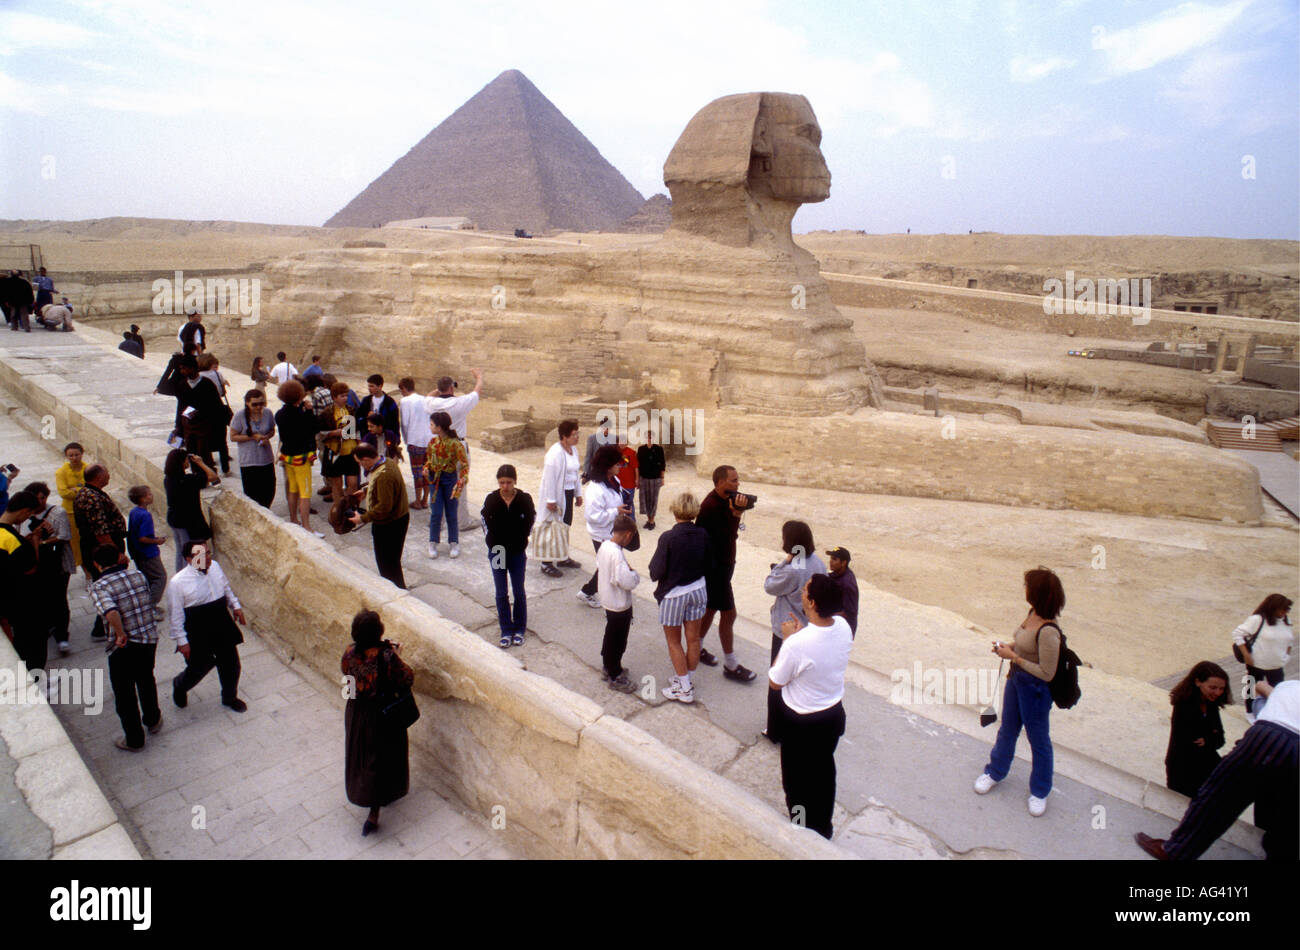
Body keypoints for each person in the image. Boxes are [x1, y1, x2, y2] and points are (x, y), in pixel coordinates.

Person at [1136, 679, 1297, 861]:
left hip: (1270, 735)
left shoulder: (1289, 687)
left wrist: (1266, 689)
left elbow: (1260, 687)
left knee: (1218, 798)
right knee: (1287, 814)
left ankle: (1175, 851)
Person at [974, 567, 1065, 817]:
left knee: (1039, 741)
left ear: (1037, 593)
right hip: (1016, 681)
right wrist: (1008, 647)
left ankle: (1040, 791)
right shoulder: (1032, 613)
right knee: (1007, 730)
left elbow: (1048, 673)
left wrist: (1013, 656)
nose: (1024, 589)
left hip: (1035, 690)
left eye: (1027, 586)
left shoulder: (1048, 631)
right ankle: (995, 772)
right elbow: (1024, 643)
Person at [769, 574, 852, 839]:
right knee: (824, 775)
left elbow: (775, 682)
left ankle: (801, 832)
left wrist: (787, 639)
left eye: (805, 590)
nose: (802, 593)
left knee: (796, 783)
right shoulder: (842, 625)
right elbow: (821, 644)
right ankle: (823, 828)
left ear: (812, 602)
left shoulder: (796, 644)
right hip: (832, 716)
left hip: (801, 724)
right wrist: (800, 635)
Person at [342, 609, 414, 836]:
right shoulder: (386, 656)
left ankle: (369, 797)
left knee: (364, 757)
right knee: (381, 759)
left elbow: (349, 681)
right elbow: (407, 677)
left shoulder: (349, 653)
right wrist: (396, 653)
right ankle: (374, 813)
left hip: (356, 711)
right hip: (381, 715)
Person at [88, 544, 162, 751]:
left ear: (96, 564)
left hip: (124, 646)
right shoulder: (138, 575)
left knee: (125, 694)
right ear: (120, 557)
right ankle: (153, 720)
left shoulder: (99, 586)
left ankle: (135, 739)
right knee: (146, 679)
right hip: (148, 638)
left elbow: (111, 612)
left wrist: (120, 633)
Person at [763, 521, 826, 742]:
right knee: (798, 683)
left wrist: (783, 562)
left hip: (787, 631)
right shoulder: (817, 563)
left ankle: (774, 731)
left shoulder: (792, 568)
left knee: (778, 679)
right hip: (809, 628)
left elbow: (770, 585)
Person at [168, 540, 249, 713]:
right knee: (199, 667)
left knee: (231, 664)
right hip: (197, 626)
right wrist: (182, 641)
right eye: (201, 555)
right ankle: (180, 685)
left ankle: (230, 697)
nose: (207, 558)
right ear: (189, 559)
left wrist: (236, 606)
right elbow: (176, 615)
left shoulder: (216, 567)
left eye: (208, 553)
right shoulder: (177, 583)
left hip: (220, 619)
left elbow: (226, 588)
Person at [649, 492, 712, 704]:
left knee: (674, 642)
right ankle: (687, 679)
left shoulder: (668, 537)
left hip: (675, 594)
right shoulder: (703, 533)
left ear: (675, 510)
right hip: (698, 589)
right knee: (693, 639)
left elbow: (656, 570)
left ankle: (684, 689)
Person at [695, 465, 757, 681]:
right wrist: (737, 514)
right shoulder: (712, 505)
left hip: (722, 566)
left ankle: (697, 648)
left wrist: (735, 512)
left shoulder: (722, 501)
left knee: (711, 609)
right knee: (729, 614)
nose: (737, 484)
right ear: (720, 482)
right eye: (733, 480)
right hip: (716, 569)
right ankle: (731, 665)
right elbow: (727, 536)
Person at [482, 465, 535, 648]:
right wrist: (491, 542)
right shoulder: (491, 500)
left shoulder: (524, 499)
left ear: (515, 482)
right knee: (501, 592)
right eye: (502, 482)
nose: (505, 486)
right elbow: (484, 521)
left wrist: (522, 540)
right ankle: (506, 629)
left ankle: (519, 628)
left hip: (517, 552)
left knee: (518, 591)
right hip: (497, 551)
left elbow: (530, 520)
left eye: (509, 482)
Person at [73, 464, 128, 642]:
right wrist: (117, 553)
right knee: (108, 586)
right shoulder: (91, 497)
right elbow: (100, 531)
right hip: (102, 551)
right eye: (107, 473)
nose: (109, 476)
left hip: (97, 549)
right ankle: (101, 628)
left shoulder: (87, 492)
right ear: (98, 477)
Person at [22, 482, 74, 655]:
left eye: (42, 497)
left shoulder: (57, 512)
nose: (40, 502)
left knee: (59, 598)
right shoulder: (24, 515)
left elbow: (65, 535)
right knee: (43, 598)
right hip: (37, 564)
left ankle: (62, 636)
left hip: (58, 563)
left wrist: (41, 541)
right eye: (36, 499)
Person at [1165, 661, 1230, 798]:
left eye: (1221, 689)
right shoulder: (1184, 705)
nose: (1218, 692)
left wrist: (1208, 740)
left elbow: (1220, 739)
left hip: (1206, 765)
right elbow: (1190, 741)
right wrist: (1211, 738)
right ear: (1198, 682)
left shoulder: (1210, 704)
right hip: (1183, 768)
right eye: (1213, 687)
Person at [349, 444, 410, 589]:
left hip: (389, 525)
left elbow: (384, 507)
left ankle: (397, 595)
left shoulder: (384, 475)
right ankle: (399, 590)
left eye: (359, 462)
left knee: (387, 565)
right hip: (399, 519)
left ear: (365, 459)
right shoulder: (387, 462)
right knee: (392, 562)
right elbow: (383, 488)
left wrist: (362, 519)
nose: (360, 466)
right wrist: (366, 490)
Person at [1, 491, 48, 672]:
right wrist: (35, 541)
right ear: (23, 510)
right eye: (29, 513)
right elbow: (30, 567)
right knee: (33, 641)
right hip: (23, 601)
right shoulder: (12, 539)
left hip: (8, 600)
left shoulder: (3, 534)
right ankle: (37, 679)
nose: (28, 517)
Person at [577, 445, 629, 609]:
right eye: (617, 464)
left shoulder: (615, 481)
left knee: (609, 564)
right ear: (607, 466)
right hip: (602, 534)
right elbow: (592, 517)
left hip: (614, 532)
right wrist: (616, 511)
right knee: (606, 566)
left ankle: (606, 588)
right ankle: (587, 592)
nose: (619, 466)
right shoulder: (595, 489)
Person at [273, 379, 323, 538]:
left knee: (293, 490)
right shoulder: (302, 415)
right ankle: (307, 527)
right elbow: (315, 428)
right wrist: (309, 411)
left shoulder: (279, 414)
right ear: (299, 395)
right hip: (302, 459)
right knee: (305, 492)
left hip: (288, 457)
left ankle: (294, 519)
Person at [598, 513, 640, 692]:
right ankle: (615, 674)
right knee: (619, 639)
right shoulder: (617, 554)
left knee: (610, 634)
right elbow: (627, 582)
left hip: (608, 600)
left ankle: (608, 666)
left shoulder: (604, 546)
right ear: (628, 535)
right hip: (619, 604)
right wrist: (634, 574)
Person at [535, 420, 583, 577]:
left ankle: (562, 557)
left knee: (565, 526)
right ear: (564, 436)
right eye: (574, 434)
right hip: (555, 496)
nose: (577, 437)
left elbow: (575, 473)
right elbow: (549, 478)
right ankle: (546, 563)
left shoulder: (573, 450)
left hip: (568, 494)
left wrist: (578, 493)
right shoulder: (554, 453)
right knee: (551, 528)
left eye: (577, 434)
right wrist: (550, 499)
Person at [1232, 594, 1293, 716]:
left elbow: (1289, 640)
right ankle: (1249, 712)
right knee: (1251, 689)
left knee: (1277, 692)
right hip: (1257, 663)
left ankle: (1272, 714)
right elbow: (1237, 634)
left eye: (1287, 609)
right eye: (1283, 609)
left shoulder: (1286, 621)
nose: (1285, 612)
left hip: (1276, 665)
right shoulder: (1257, 619)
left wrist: (1286, 657)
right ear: (1273, 607)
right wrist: (1246, 655)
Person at [163, 448, 219, 573]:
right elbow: (213, 477)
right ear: (182, 463)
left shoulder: (169, 479)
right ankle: (195, 577)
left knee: (181, 551)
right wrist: (200, 463)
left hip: (175, 519)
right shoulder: (188, 481)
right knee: (193, 552)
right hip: (189, 522)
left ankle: (180, 577)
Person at [424, 410, 468, 559]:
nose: (430, 427)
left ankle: (454, 542)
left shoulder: (456, 444)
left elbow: (464, 465)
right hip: (435, 480)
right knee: (436, 513)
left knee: (451, 513)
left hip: (450, 480)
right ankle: (432, 542)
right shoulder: (432, 443)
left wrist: (461, 481)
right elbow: (429, 461)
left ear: (439, 427)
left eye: (431, 424)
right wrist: (426, 469)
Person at [229, 389, 276, 508]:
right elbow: (233, 437)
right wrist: (252, 437)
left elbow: (272, 430)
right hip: (249, 461)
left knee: (269, 490)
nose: (258, 407)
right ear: (247, 403)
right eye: (254, 404)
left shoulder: (268, 413)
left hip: (266, 459)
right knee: (252, 494)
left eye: (261, 403)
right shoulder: (239, 416)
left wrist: (267, 437)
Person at [175, 354, 225, 469]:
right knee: (191, 453)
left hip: (204, 425)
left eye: (184, 368)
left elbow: (216, 405)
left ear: (192, 368)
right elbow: (181, 406)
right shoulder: (182, 385)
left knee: (204, 453)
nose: (182, 371)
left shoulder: (207, 384)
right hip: (189, 425)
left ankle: (209, 476)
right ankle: (197, 477)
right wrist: (179, 426)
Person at [126, 485, 168, 612]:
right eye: (149, 494)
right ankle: (150, 607)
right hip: (147, 553)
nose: (152, 496)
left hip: (138, 552)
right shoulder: (145, 515)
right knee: (160, 578)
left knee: (148, 579)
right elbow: (142, 538)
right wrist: (158, 541)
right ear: (143, 499)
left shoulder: (134, 512)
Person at [321, 382, 361, 508]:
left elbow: (357, 430)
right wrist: (333, 433)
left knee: (353, 483)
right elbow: (320, 433)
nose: (345, 398)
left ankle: (349, 507)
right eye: (342, 396)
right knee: (336, 484)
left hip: (350, 450)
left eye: (346, 395)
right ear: (334, 397)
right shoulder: (327, 413)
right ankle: (338, 509)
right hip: (335, 452)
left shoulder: (351, 410)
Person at [397, 377, 432, 509]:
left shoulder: (405, 401)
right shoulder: (425, 399)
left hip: (415, 440)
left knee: (417, 472)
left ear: (404, 388)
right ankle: (424, 500)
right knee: (427, 471)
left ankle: (417, 500)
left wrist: (406, 439)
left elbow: (404, 423)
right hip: (428, 440)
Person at [197, 353, 233, 475]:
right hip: (217, 410)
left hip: (203, 412)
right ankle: (226, 468)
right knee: (222, 440)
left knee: (206, 440)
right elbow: (222, 392)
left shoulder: (197, 377)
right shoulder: (217, 374)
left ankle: (211, 466)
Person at [55, 443, 86, 570]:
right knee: (76, 543)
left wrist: (75, 490)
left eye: (76, 454)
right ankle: (85, 571)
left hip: (87, 511)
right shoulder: (61, 472)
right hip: (70, 512)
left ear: (82, 454)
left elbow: (93, 487)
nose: (74, 458)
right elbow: (63, 492)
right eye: (71, 455)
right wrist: (82, 490)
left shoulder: (88, 468)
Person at [825, 546, 859, 637]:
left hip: (843, 631)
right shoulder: (838, 574)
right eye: (831, 558)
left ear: (843, 563)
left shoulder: (847, 584)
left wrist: (824, 615)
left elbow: (849, 612)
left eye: (834, 559)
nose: (830, 561)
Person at [636, 428, 665, 530]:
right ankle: (649, 519)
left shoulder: (659, 449)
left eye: (650, 437)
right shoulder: (641, 449)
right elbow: (637, 466)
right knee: (645, 499)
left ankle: (652, 521)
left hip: (655, 478)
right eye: (647, 437)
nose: (649, 439)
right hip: (644, 478)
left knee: (653, 500)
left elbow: (662, 464)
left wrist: (662, 478)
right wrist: (638, 479)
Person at [356, 374, 399, 439]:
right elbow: (358, 417)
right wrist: (367, 418)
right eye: (369, 386)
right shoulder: (366, 401)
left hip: (384, 438)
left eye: (372, 386)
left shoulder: (389, 402)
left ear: (380, 386)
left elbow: (394, 423)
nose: (369, 388)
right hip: (368, 437)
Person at [616, 434, 638, 518]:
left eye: (624, 442)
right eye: (620, 442)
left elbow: (635, 467)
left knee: (629, 503)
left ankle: (631, 522)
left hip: (629, 483)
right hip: (617, 483)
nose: (622, 444)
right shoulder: (614, 452)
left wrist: (637, 479)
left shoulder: (631, 452)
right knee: (618, 503)